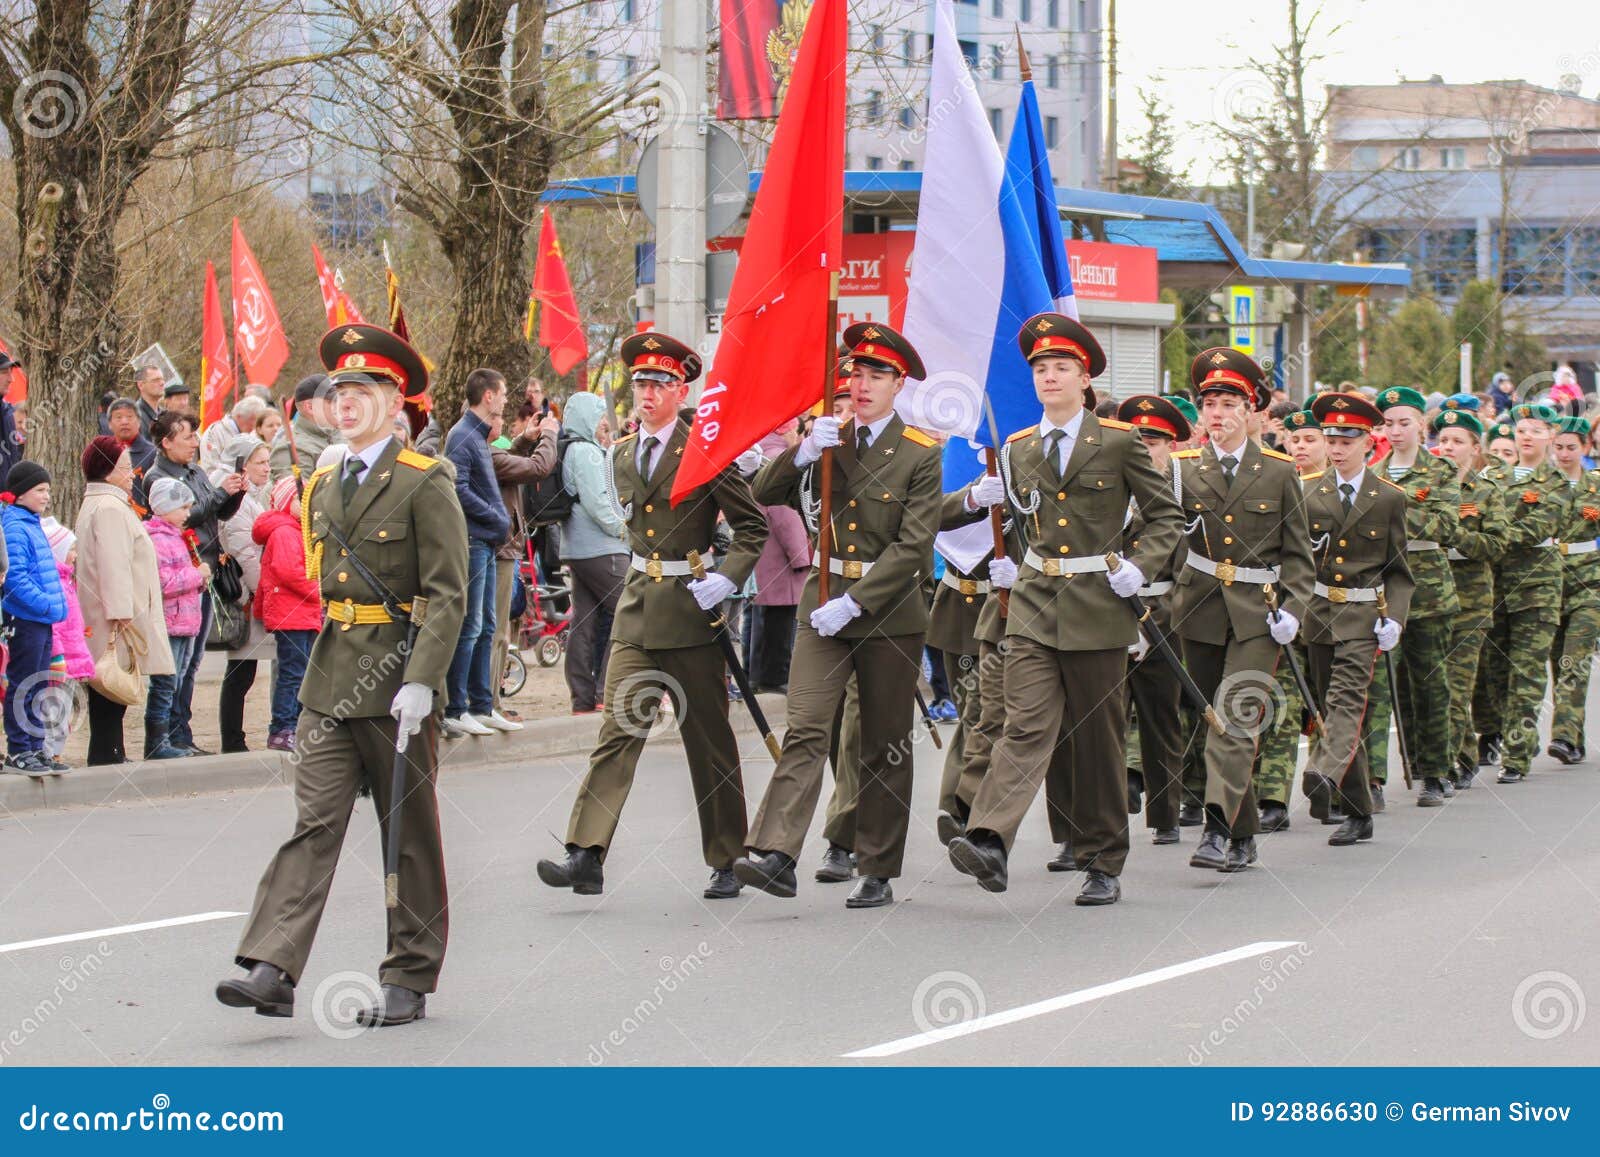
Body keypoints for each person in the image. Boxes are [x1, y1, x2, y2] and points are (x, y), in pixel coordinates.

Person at [218, 322, 468, 1029]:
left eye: (363, 391)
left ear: (395, 401)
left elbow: (450, 591)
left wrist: (424, 676)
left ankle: (409, 973)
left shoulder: (426, 481)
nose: (348, 402)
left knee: (405, 832)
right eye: (340, 392)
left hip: (398, 678)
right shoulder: (323, 482)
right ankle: (272, 965)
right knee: (313, 822)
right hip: (331, 676)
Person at [944, 316, 1181, 906]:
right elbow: (983, 519)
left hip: (1098, 606)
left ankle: (1103, 859)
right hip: (1030, 606)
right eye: (1041, 369)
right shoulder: (1018, 449)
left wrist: (1139, 565)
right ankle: (990, 838)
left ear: (1084, 379)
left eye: (1062, 369)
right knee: (1024, 725)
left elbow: (1165, 518)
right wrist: (980, 505)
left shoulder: (1120, 442)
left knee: (1098, 739)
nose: (1050, 377)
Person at [537, 332, 765, 900]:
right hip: (639, 603)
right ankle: (584, 853)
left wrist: (726, 577)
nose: (646, 392)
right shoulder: (619, 454)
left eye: (659, 383)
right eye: (640, 383)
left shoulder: (705, 449)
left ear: (680, 390)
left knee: (706, 740)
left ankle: (728, 857)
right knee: (617, 731)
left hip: (692, 609)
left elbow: (752, 526)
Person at [735, 322, 942, 911]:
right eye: (856, 372)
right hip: (821, 605)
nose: (863, 383)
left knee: (881, 740)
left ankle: (876, 865)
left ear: (899, 384)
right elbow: (763, 493)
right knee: (806, 727)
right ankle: (776, 853)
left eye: (877, 374)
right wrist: (801, 451)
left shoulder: (920, 455)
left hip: (886, 612)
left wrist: (857, 601)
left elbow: (915, 545)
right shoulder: (828, 437)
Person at [1167, 348, 1313, 873]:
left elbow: (1299, 554)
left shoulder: (1277, 472)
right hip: (1199, 606)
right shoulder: (1184, 470)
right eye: (1210, 404)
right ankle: (1243, 830)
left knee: (1235, 717)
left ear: (1251, 411)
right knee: (1210, 718)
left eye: (1230, 403)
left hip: (1259, 611)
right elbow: (1164, 539)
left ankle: (1215, 828)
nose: (1218, 414)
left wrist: (1294, 607)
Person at [1299, 392, 1413, 846]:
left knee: (1348, 701)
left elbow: (1399, 571)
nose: (1338, 447)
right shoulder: (1308, 492)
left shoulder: (1388, 499)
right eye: (1331, 438)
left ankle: (1322, 771)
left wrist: (1396, 619)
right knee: (1330, 707)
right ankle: (1359, 809)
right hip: (1318, 612)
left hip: (1364, 613)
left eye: (1347, 438)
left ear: (1369, 441)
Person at [1371, 387, 1461, 806]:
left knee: (1430, 685)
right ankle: (1375, 777)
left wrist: (1393, 512)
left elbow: (1444, 526)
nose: (1396, 431)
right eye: (1389, 424)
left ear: (1422, 425)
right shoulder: (1373, 470)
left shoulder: (1440, 471)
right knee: (1386, 688)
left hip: (1430, 593)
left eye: (1404, 422)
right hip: (1386, 591)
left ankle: (1435, 770)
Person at [142, 411, 245, 756]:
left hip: (204, 571)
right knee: (175, 664)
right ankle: (168, 735)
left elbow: (216, 513)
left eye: (194, 436)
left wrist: (233, 495)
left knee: (193, 661)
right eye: (186, 436)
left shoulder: (195, 469)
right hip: (184, 575)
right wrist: (217, 495)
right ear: (166, 441)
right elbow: (189, 514)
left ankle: (180, 732)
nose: (193, 443)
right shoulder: (158, 478)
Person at [1477, 403, 1567, 784]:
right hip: (1495, 586)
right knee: (1496, 673)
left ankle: (1515, 755)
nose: (1526, 435)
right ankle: (1516, 733)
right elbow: (1475, 510)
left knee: (1527, 674)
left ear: (1550, 437)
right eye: (1521, 429)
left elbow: (1538, 527)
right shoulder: (1494, 476)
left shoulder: (1558, 482)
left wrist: (1488, 537)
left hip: (1537, 589)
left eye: (1535, 430)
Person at [1116, 393, 1192, 843]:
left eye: (1157, 441)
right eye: (1138, 439)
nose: (1147, 448)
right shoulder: (1110, 488)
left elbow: (1187, 566)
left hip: (1163, 610)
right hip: (1106, 611)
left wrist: (1156, 621)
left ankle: (1165, 813)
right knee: (1104, 716)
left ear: (1173, 446)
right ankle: (1104, 812)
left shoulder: (1180, 493)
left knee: (1161, 716)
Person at [75, 436, 172, 766]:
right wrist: (121, 613)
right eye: (126, 467)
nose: (132, 473)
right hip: (115, 614)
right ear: (108, 470)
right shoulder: (110, 508)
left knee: (111, 685)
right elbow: (113, 564)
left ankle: (109, 752)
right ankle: (107, 754)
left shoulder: (104, 504)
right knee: (111, 683)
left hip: (110, 610)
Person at [1431, 409, 1507, 789]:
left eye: (1457, 441)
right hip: (1428, 598)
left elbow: (1497, 544)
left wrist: (1455, 537)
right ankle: (1461, 755)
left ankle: (1445, 765)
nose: (1447, 447)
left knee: (1458, 687)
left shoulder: (1486, 492)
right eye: (1443, 440)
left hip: (1470, 600)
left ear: (1476, 448)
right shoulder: (1425, 487)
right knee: (1434, 685)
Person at [441, 368, 514, 736]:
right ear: (488, 396)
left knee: (485, 625)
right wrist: (497, 518)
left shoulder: (477, 435)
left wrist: (496, 521)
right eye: (502, 394)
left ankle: (481, 704)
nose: (504, 400)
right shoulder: (461, 435)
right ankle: (455, 708)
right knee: (469, 626)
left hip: (484, 541)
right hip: (471, 541)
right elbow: (459, 488)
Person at [556, 391, 628, 714]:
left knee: (584, 622)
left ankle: (584, 697)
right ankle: (606, 691)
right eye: (599, 415)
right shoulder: (585, 453)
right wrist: (624, 529)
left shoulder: (577, 450)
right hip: (604, 549)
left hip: (580, 549)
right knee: (629, 613)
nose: (604, 423)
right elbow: (600, 504)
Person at [490, 405, 559, 723]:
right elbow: (537, 468)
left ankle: (490, 700)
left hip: (503, 548)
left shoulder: (483, 450)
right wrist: (549, 435)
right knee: (496, 632)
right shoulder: (483, 452)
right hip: (500, 549)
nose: (503, 423)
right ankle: (488, 702)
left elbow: (508, 459)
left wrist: (525, 438)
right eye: (496, 416)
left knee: (500, 630)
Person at [1, 462, 68, 775]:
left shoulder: (30, 522)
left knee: (39, 684)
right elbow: (14, 577)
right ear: (21, 493)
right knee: (23, 683)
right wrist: (45, 604)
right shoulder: (14, 525)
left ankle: (35, 747)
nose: (46, 496)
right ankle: (18, 750)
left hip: (41, 618)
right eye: (40, 490)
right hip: (25, 617)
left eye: (47, 490)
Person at [1546, 415, 1600, 764]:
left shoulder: (1595, 485)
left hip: (1589, 580)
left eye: (1571, 448)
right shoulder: (1542, 484)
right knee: (1556, 660)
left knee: (1575, 659)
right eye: (1560, 447)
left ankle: (1563, 735)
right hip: (1548, 582)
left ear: (1585, 448)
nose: (1565, 454)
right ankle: (1575, 738)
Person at [143, 477, 210, 760]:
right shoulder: (158, 539)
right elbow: (163, 583)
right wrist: (198, 575)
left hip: (185, 622)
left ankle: (170, 736)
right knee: (164, 681)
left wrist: (198, 582)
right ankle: (157, 740)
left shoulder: (176, 538)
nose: (187, 513)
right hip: (171, 622)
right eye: (182, 507)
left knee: (177, 679)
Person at [215, 435, 274, 753]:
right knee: (240, 670)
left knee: (244, 670)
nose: (267, 467)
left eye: (267, 461)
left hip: (251, 592)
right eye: (260, 462)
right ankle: (232, 739)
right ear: (243, 465)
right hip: (246, 596)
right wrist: (260, 591)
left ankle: (234, 738)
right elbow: (244, 552)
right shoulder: (239, 502)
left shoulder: (251, 497)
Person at [253, 477, 320, 750]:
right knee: (292, 672)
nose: (305, 505)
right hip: (291, 612)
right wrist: (320, 590)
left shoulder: (299, 529)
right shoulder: (284, 531)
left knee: (302, 671)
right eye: (298, 499)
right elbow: (289, 571)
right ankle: (282, 726)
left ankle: (296, 723)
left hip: (303, 612)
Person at [747, 420, 810, 693]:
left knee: (760, 619)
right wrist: (800, 555)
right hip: (781, 555)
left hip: (766, 552)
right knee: (781, 622)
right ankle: (774, 677)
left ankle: (756, 674)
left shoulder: (762, 454)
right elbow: (786, 515)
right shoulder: (777, 459)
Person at [42, 518, 94, 768]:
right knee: (54, 709)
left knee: (63, 708)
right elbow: (54, 626)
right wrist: (57, 656)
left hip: (72, 657)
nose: (75, 555)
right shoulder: (54, 584)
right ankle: (48, 752)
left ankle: (56, 752)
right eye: (71, 549)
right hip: (60, 659)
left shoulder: (67, 581)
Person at [270, 374, 342, 483]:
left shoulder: (339, 434)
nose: (341, 405)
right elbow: (297, 496)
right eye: (333, 401)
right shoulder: (292, 448)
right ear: (310, 407)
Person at [200, 396, 268, 475]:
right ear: (239, 416)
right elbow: (210, 467)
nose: (254, 425)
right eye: (252, 419)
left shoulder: (252, 434)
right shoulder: (215, 433)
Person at [106, 398, 157, 477]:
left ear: (139, 421)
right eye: (119, 417)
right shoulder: (103, 453)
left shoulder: (153, 453)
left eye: (129, 417)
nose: (124, 422)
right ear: (109, 423)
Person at [0, 349, 25, 483]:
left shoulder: (8, 413)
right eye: (4, 373)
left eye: (11, 373)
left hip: (7, 499)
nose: (11, 379)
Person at [133, 365, 166, 434]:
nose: (162, 383)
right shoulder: (134, 417)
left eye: (162, 379)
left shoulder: (165, 414)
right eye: (156, 380)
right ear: (141, 385)